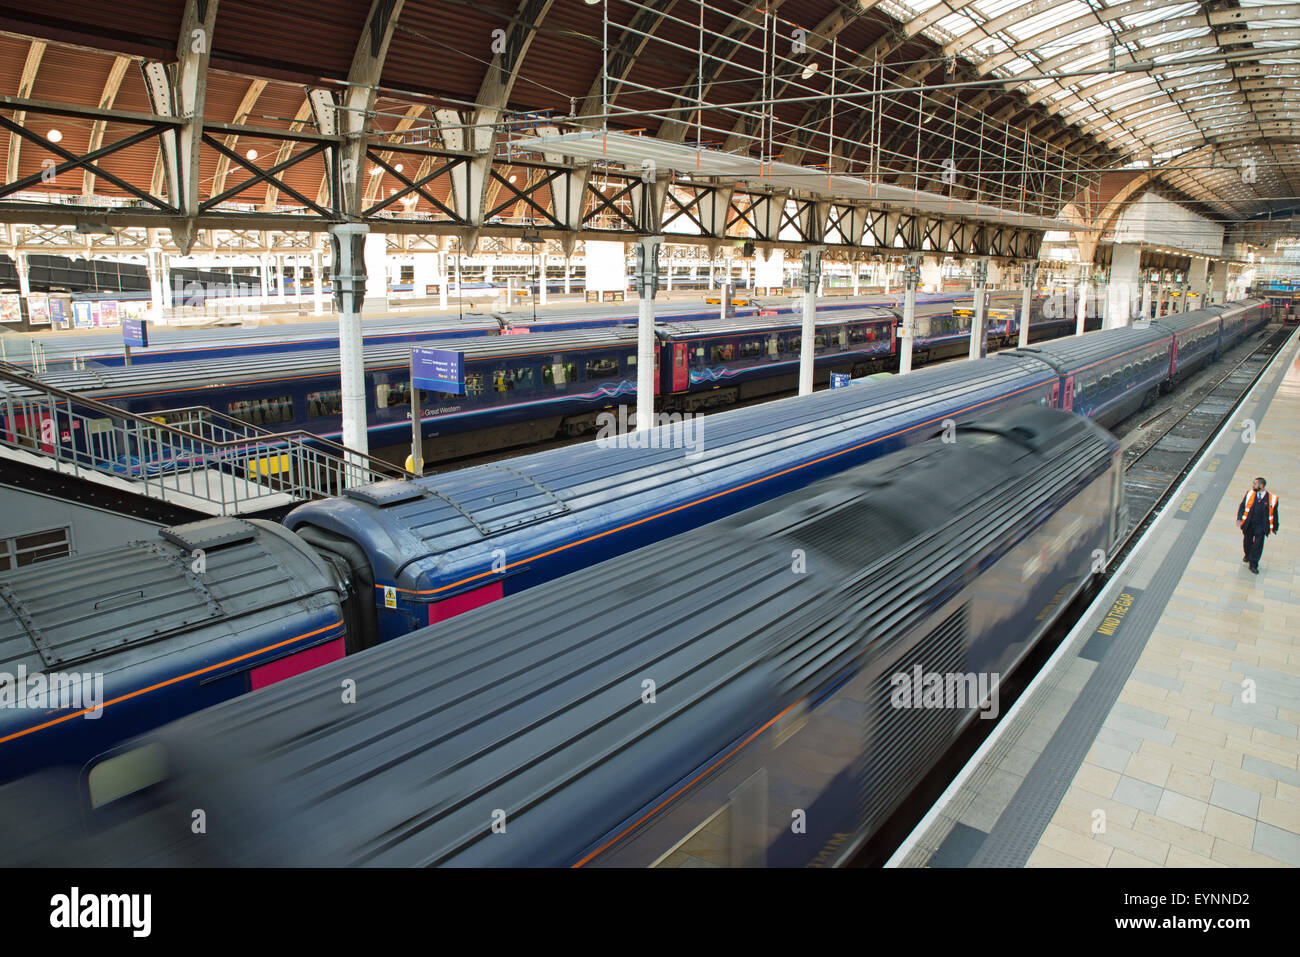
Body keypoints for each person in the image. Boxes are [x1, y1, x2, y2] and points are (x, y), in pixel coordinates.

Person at [1237, 477, 1280, 574]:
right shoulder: (1249, 494)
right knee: (1247, 542)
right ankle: (1247, 554)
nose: (1253, 485)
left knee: (1258, 545)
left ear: (1261, 486)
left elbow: (1275, 514)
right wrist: (1239, 518)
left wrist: (1275, 526)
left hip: (1261, 527)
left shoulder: (1272, 499)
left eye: (1255, 484)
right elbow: (1242, 506)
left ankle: (1253, 564)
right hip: (1249, 524)